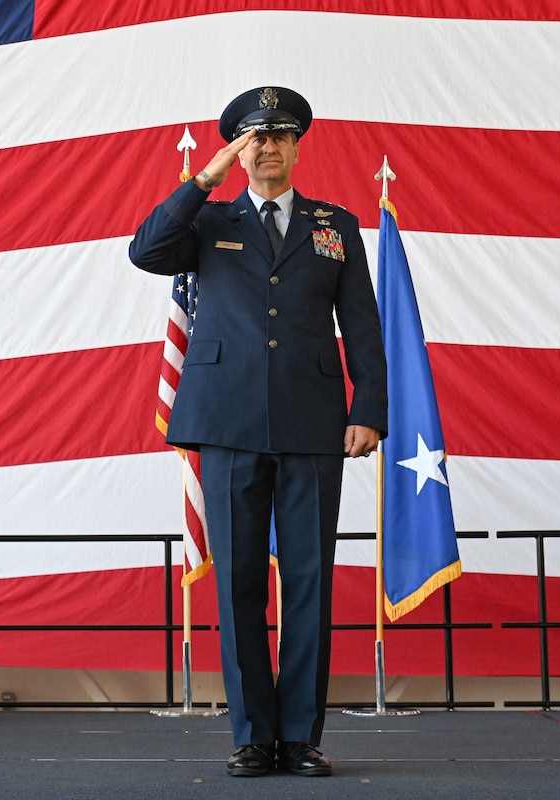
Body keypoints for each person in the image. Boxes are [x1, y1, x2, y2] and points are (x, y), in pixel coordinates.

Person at [128, 87, 388, 777]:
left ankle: (300, 736)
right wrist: (203, 178)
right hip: (227, 420)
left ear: (298, 145)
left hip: (311, 421)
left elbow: (361, 322)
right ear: (238, 150)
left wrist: (369, 409)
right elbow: (145, 249)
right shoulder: (207, 222)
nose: (267, 146)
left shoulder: (337, 226)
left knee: (308, 582)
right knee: (239, 583)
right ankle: (251, 735)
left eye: (278, 134)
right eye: (253, 137)